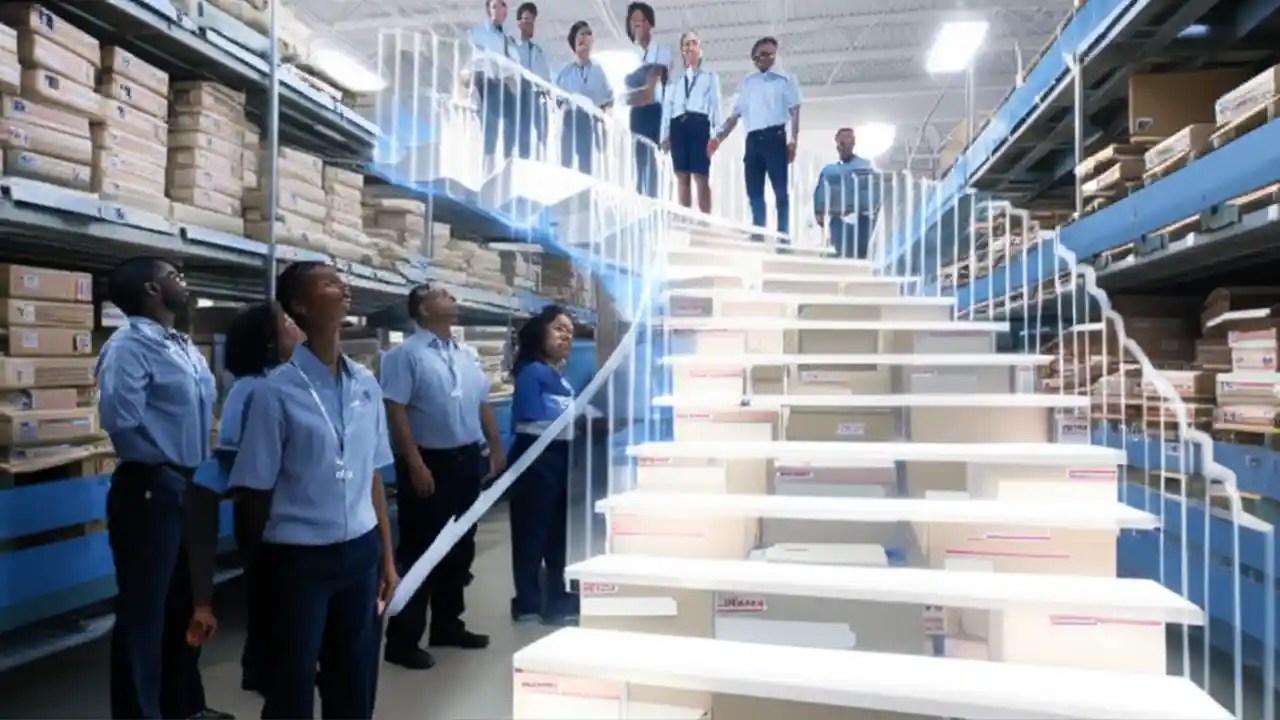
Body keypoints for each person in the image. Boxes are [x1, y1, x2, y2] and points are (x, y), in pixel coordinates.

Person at [230, 262, 398, 720]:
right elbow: (254, 493)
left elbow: (373, 476)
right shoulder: (274, 394)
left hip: (359, 555)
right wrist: (262, 573)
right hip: (299, 560)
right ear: (299, 307)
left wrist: (385, 556)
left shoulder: (366, 384)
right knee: (292, 683)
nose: (344, 286)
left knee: (354, 676)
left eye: (343, 279)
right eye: (329, 282)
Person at [97, 257, 221, 720]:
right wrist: (163, 470)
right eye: (175, 277)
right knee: (144, 613)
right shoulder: (129, 346)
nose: (183, 283)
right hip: (152, 488)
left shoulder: (181, 345)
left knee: (186, 604)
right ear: (152, 288)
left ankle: (184, 705)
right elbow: (119, 421)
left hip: (189, 484)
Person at [381, 284, 507, 670]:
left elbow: (482, 402)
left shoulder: (465, 355)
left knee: (461, 546)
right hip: (429, 461)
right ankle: (402, 640)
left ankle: (448, 624)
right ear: (422, 308)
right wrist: (415, 463)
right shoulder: (404, 356)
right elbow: (396, 409)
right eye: (442, 295)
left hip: (466, 459)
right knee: (422, 549)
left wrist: (495, 446)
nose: (453, 298)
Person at [189, 302, 302, 695]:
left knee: (280, 599)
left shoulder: (287, 381)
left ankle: (265, 667)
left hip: (288, 510)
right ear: (270, 342)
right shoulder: (251, 389)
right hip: (264, 512)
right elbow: (229, 461)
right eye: (287, 323)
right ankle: (267, 671)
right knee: (272, 596)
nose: (295, 327)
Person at [507, 305, 579, 624]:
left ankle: (557, 598)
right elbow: (532, 419)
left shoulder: (558, 378)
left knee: (557, 532)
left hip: (559, 457)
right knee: (532, 531)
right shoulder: (531, 372)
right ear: (540, 333)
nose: (566, 336)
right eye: (559, 328)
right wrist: (582, 421)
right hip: (536, 457)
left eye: (570, 333)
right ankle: (529, 603)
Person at [708, 36, 803, 238]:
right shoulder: (748, 83)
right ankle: (758, 231)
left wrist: (793, 141)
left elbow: (795, 110)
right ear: (755, 58)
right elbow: (735, 115)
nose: (768, 58)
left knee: (780, 190)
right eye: (763, 54)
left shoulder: (786, 80)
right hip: (752, 142)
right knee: (754, 191)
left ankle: (783, 235)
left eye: (771, 53)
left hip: (775, 138)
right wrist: (718, 139)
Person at [660, 29, 721, 213]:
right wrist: (665, 135)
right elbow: (667, 108)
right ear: (682, 51)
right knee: (681, 175)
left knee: (701, 174)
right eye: (687, 44)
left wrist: (716, 135)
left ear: (700, 49)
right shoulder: (675, 80)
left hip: (699, 124)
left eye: (694, 43)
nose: (691, 47)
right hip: (678, 125)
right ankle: (687, 219)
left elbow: (715, 105)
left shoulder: (709, 77)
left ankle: (705, 219)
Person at [623, 2, 672, 197]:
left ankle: (655, 208)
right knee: (640, 167)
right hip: (637, 118)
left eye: (640, 21)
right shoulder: (633, 55)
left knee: (653, 168)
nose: (636, 25)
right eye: (633, 21)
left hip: (654, 114)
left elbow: (648, 94)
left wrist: (626, 99)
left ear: (649, 24)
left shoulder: (661, 53)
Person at [554, 21, 613, 174]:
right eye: (580, 35)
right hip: (570, 121)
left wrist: (605, 126)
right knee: (566, 165)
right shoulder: (564, 71)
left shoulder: (598, 71)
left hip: (590, 123)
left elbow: (607, 101)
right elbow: (556, 99)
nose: (584, 38)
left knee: (586, 166)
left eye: (588, 34)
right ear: (573, 42)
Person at [813, 127, 879, 259]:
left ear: (854, 142)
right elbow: (820, 202)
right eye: (841, 141)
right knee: (842, 255)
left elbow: (877, 196)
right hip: (839, 221)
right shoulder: (829, 171)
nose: (844, 144)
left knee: (859, 255)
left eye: (848, 139)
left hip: (863, 221)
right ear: (837, 144)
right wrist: (819, 212)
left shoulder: (866, 167)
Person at [469, 0, 518, 171]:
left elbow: (512, 63)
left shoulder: (507, 37)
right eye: (495, 6)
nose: (499, 9)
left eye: (503, 5)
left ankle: (507, 167)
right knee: (490, 131)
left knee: (510, 129)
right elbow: (478, 60)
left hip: (503, 86)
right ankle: (487, 172)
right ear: (488, 9)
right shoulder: (479, 33)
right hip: (488, 83)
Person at [514, 2, 550, 160]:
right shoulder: (513, 48)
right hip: (520, 94)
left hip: (537, 96)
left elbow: (545, 76)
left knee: (541, 132)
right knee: (523, 133)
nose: (529, 25)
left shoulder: (537, 51)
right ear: (519, 23)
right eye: (526, 20)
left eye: (532, 21)